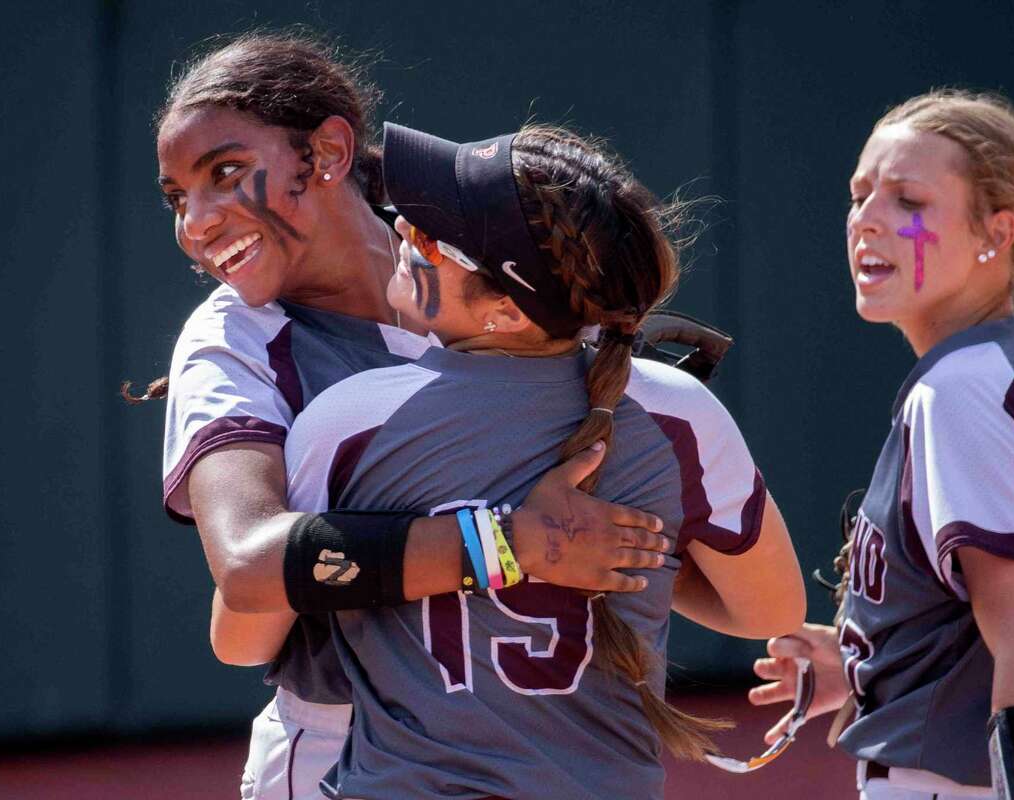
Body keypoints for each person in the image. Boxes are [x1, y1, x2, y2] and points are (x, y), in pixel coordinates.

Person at [147, 32, 670, 800]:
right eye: (177, 197)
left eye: (224, 173)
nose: (195, 223)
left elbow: (618, 524)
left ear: (325, 153)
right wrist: (503, 544)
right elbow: (250, 565)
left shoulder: (481, 251)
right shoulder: (234, 337)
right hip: (348, 738)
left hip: (543, 731)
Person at [253, 121, 807, 799]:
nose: (401, 229)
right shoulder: (677, 412)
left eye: (433, 236)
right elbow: (768, 611)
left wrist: (453, 553)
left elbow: (243, 637)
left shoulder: (348, 423)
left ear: (509, 310)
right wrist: (635, 555)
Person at [749, 90, 1014, 799]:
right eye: (860, 194)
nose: (868, 221)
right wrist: (870, 663)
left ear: (996, 233)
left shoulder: (963, 389)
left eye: (908, 201)